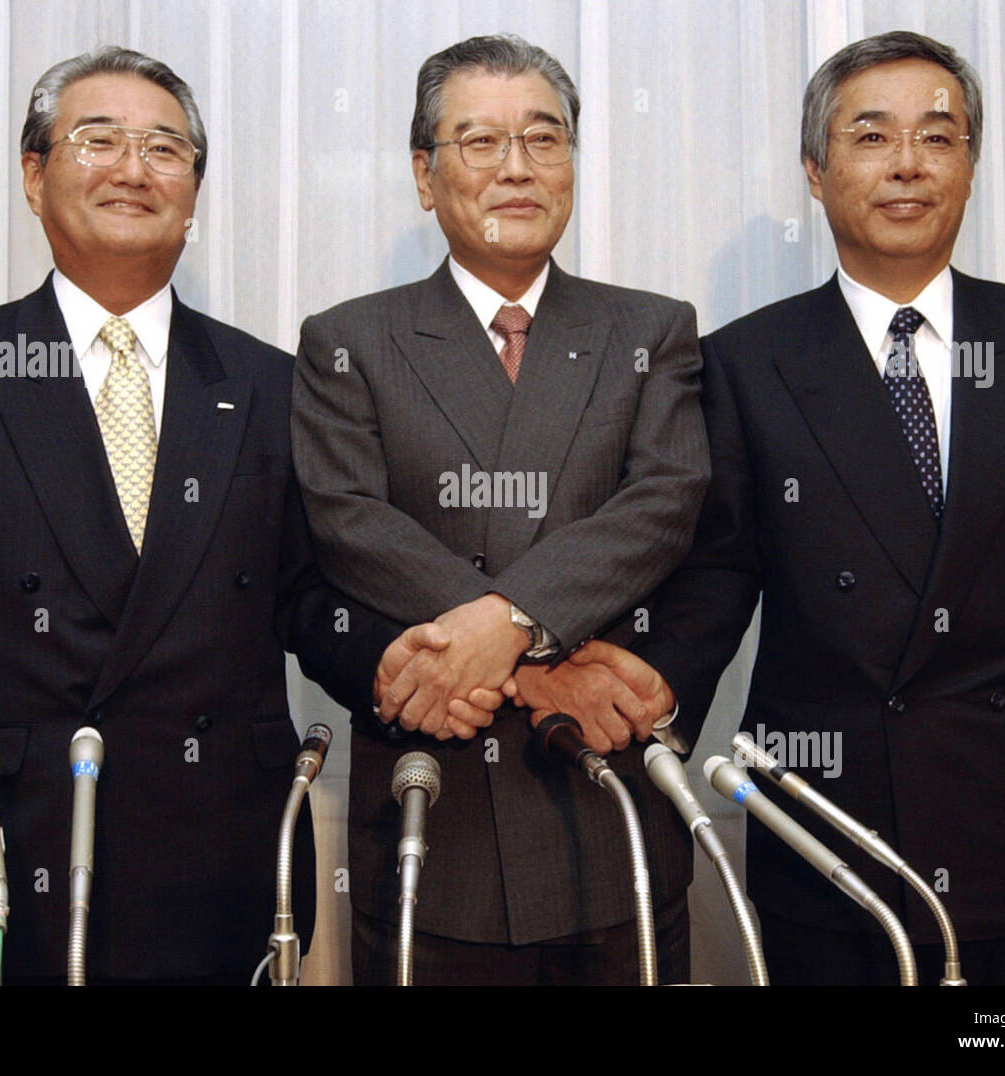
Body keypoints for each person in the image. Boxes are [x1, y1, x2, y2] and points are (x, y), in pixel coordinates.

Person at [0, 45, 432, 985]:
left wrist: (394, 661)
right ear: (34, 177)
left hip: (223, 852)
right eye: (98, 139)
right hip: (7, 848)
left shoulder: (270, 382)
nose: (132, 167)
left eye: (165, 148)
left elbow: (303, 597)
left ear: (194, 193)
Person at [616, 30, 1005, 985]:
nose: (908, 163)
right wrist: (646, 693)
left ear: (971, 167)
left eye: (938, 137)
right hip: (832, 818)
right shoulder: (746, 362)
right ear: (816, 171)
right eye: (871, 136)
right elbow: (720, 574)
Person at [291, 34, 710, 985]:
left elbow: (663, 503)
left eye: (544, 138)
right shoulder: (349, 340)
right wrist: (539, 666)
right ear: (424, 173)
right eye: (480, 142)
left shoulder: (652, 329)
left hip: (610, 822)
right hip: (433, 820)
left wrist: (508, 623)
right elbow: (349, 521)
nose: (516, 167)